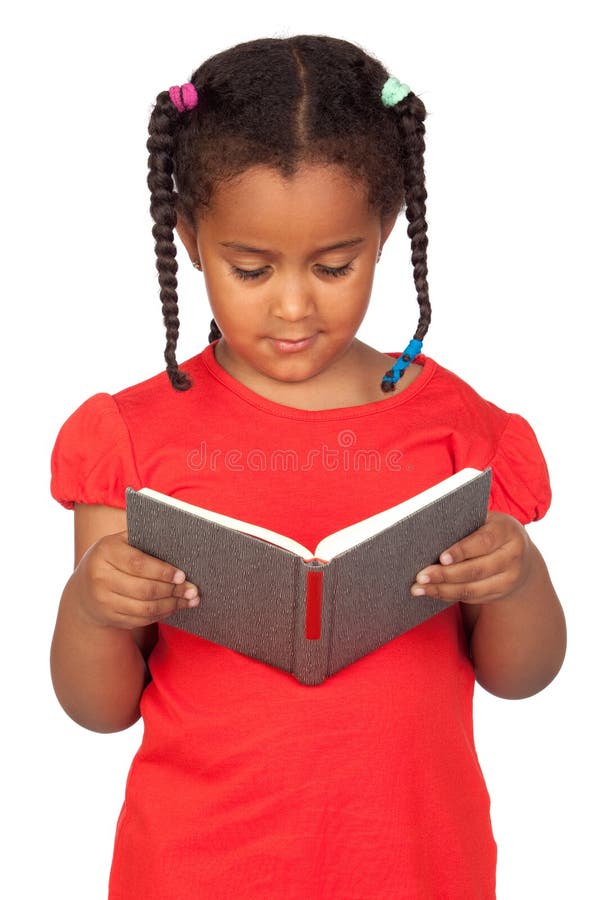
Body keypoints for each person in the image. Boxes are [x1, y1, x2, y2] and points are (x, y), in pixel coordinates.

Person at [49, 35, 566, 899]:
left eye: (335, 265)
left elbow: (523, 677)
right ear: (190, 239)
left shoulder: (464, 433)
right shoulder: (133, 439)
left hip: (413, 866)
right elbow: (97, 710)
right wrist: (92, 605)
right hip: (197, 867)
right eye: (250, 268)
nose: (294, 305)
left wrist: (516, 582)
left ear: (385, 234)